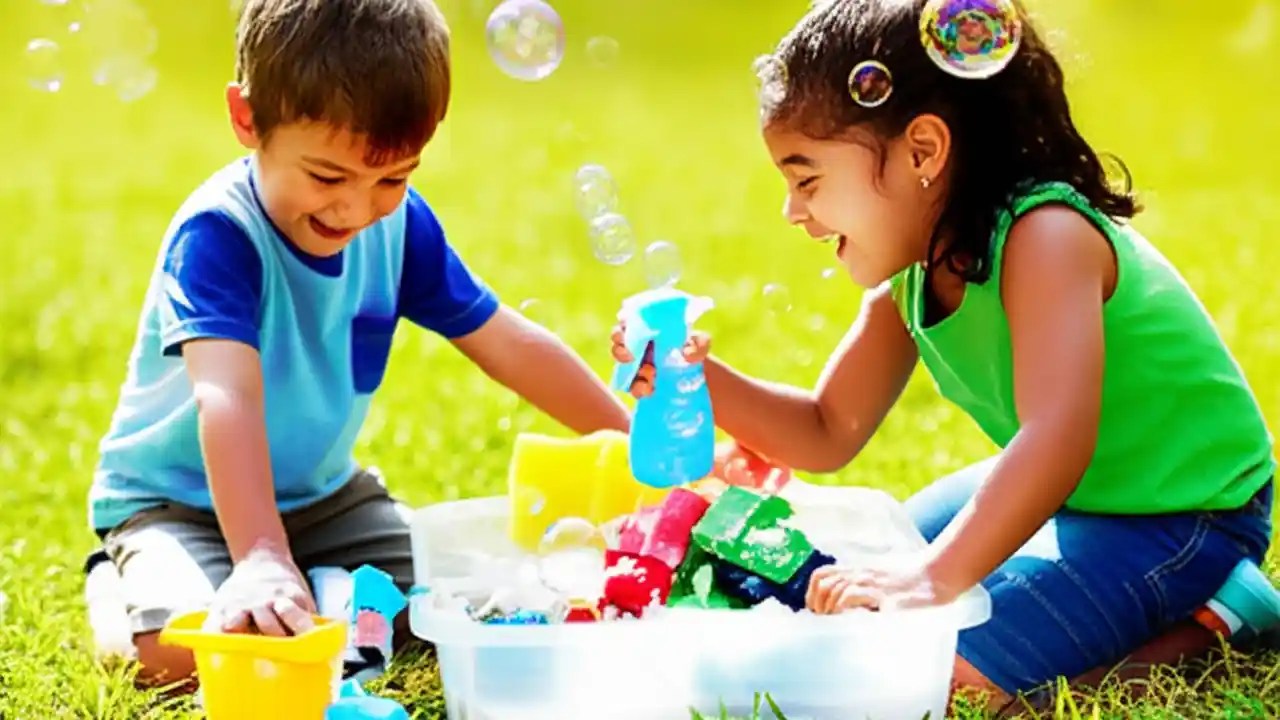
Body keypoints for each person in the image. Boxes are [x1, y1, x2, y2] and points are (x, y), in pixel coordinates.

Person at [613, 0, 1275, 707]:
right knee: (874, 563)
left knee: (946, 669)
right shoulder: (915, 278)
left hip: (1184, 510)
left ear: (923, 152)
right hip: (1087, 491)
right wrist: (697, 376)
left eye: (807, 180)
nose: (792, 211)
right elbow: (827, 428)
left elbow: (1058, 437)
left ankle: (1223, 619)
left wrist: (933, 580)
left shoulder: (1045, 237)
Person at [84, 0, 630, 687]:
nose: (354, 209)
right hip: (177, 500)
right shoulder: (220, 234)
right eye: (327, 176)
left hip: (323, 497)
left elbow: (508, 344)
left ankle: (313, 581)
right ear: (247, 120)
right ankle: (119, 585)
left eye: (393, 179)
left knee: (452, 605)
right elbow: (226, 395)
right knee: (185, 656)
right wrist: (258, 553)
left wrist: (635, 441)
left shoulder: (399, 230)